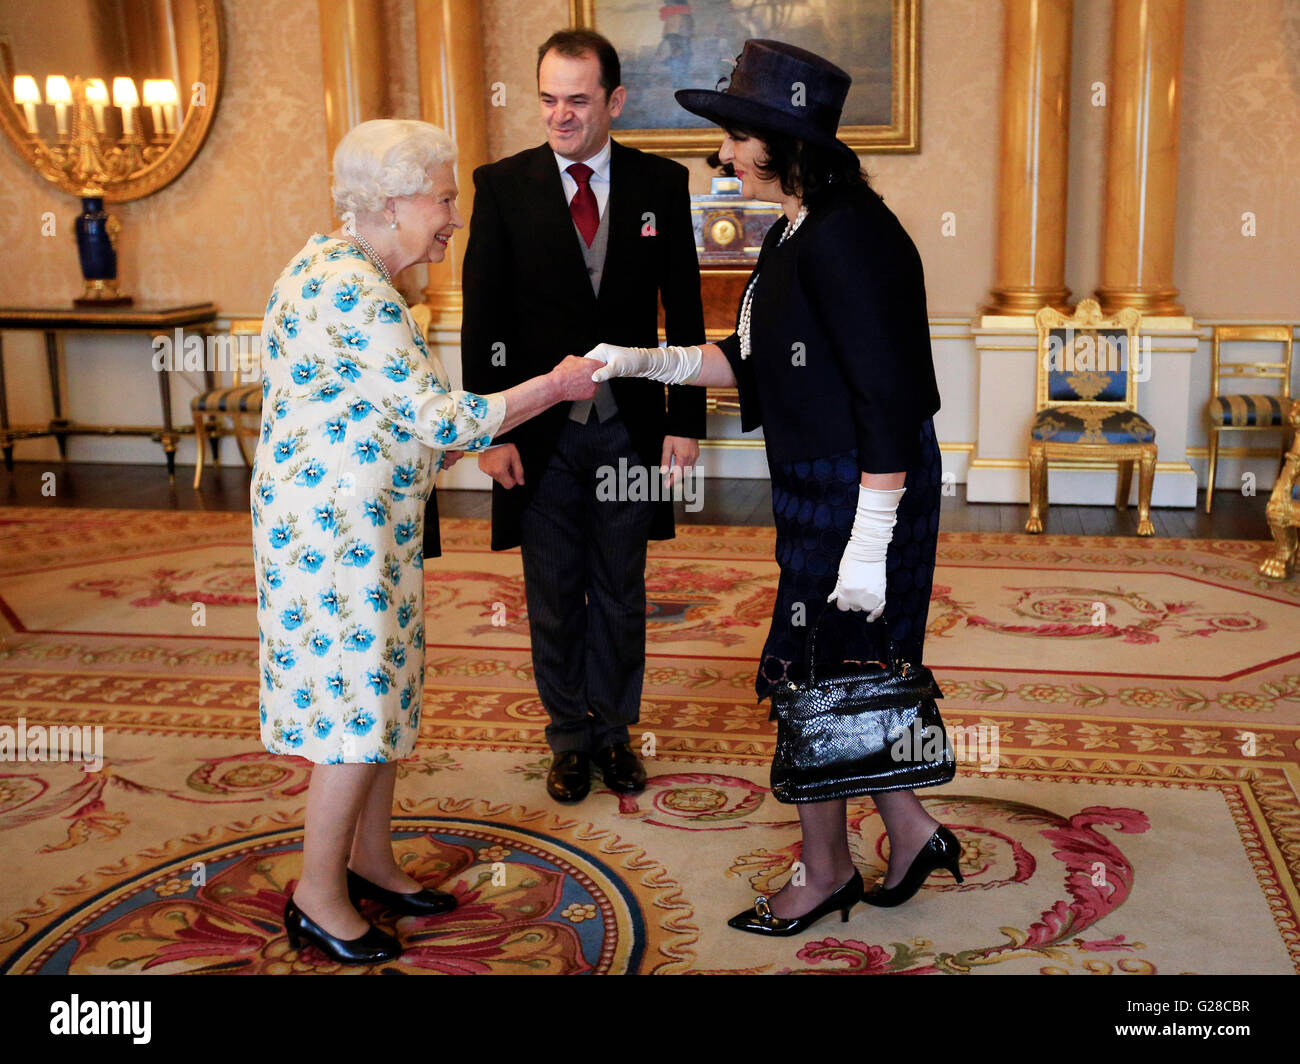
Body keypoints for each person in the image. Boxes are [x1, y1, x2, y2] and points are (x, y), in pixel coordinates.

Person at [586, 40, 961, 935]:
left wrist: (869, 540)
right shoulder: (799, 226)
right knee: (843, 670)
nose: (720, 152)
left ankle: (827, 868)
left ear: (784, 145)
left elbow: (888, 395)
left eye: (733, 137)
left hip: (863, 491)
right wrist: (639, 359)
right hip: (819, 490)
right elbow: (752, 360)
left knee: (815, 673)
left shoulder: (853, 236)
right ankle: (910, 830)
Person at [252, 118, 598, 965]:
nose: (453, 216)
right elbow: (446, 417)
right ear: (392, 199)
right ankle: (318, 894)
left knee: (384, 692)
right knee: (355, 710)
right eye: (443, 197)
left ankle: (369, 860)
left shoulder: (353, 273)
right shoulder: (350, 288)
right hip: (332, 538)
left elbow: (405, 421)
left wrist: (456, 431)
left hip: (362, 527)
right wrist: (554, 385)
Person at [456, 28, 706, 804]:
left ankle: (615, 731)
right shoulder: (501, 186)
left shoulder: (660, 185)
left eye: (577, 100)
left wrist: (684, 419)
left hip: (628, 428)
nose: (559, 116)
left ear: (614, 101)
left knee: (623, 588)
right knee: (555, 590)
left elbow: (685, 310)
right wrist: (490, 430)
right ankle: (568, 738)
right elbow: (483, 317)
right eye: (547, 99)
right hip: (539, 433)